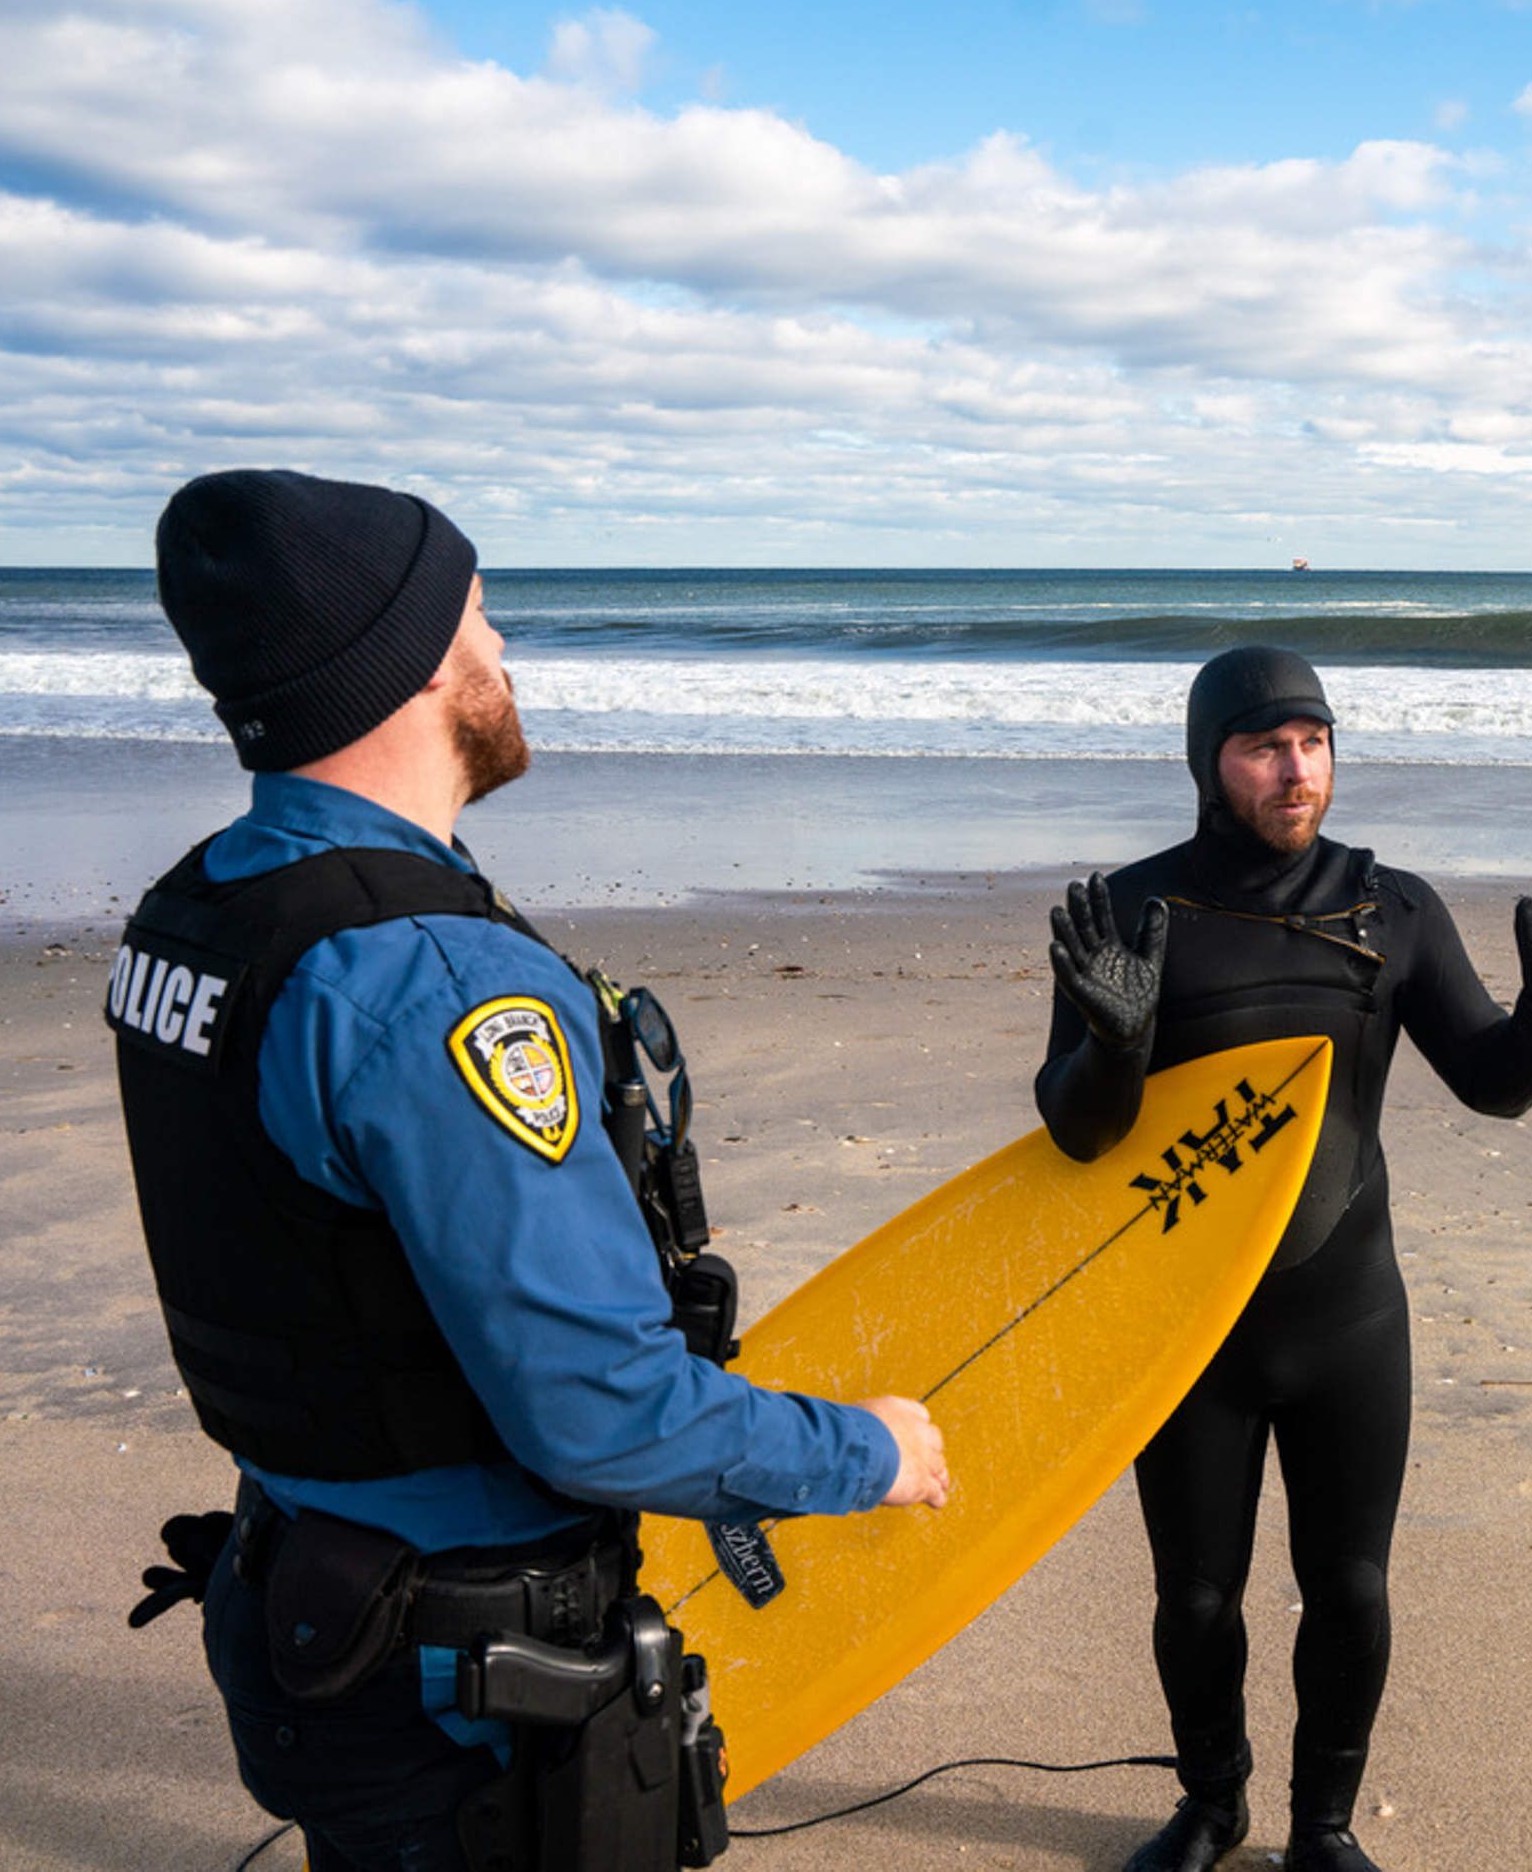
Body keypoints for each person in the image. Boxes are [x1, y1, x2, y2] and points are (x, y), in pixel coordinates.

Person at [112, 469, 951, 1872]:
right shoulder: (435, 983)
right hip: (452, 1676)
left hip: (303, 1584)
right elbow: (598, 1412)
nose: (502, 653)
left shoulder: (201, 906)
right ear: (418, 664)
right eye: (481, 617)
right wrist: (866, 1451)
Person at [1036, 646, 1532, 1872]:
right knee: (1196, 1599)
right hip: (1192, 1322)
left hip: (1349, 1318)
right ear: (1210, 763)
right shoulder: (1135, 917)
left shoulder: (1393, 908)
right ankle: (1213, 1803)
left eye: (1313, 742)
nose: (1296, 769)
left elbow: (1495, 1087)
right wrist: (1112, 1042)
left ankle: (1323, 1827)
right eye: (1266, 745)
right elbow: (1080, 1130)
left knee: (1351, 1585)